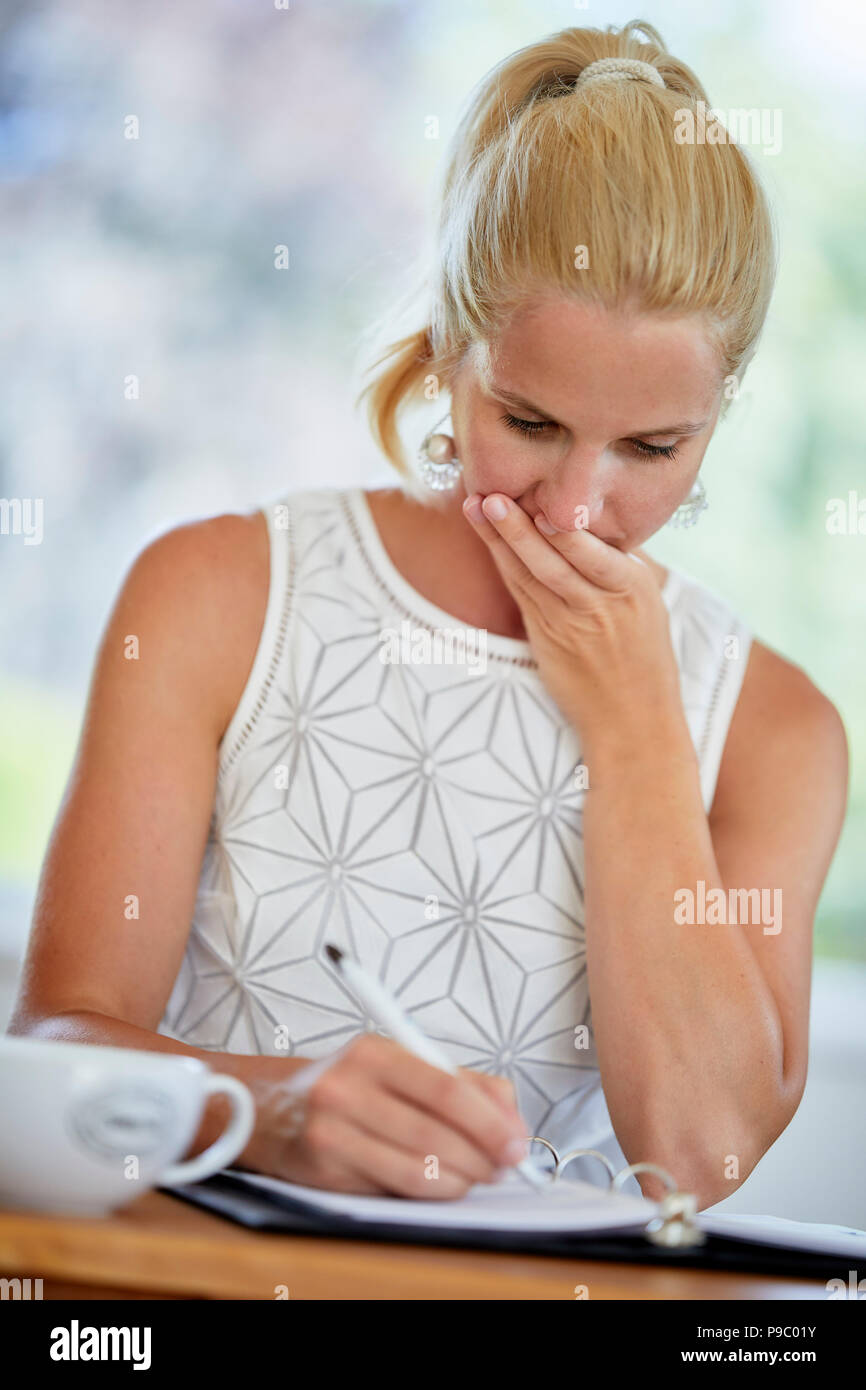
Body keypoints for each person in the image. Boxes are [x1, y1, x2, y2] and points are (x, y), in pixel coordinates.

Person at [9, 20, 848, 1210]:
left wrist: (635, 731)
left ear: (719, 411)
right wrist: (263, 1108)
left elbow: (698, 1157)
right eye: (531, 423)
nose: (573, 508)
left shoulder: (774, 732)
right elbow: (53, 1044)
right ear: (450, 350)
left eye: (651, 446)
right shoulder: (219, 593)